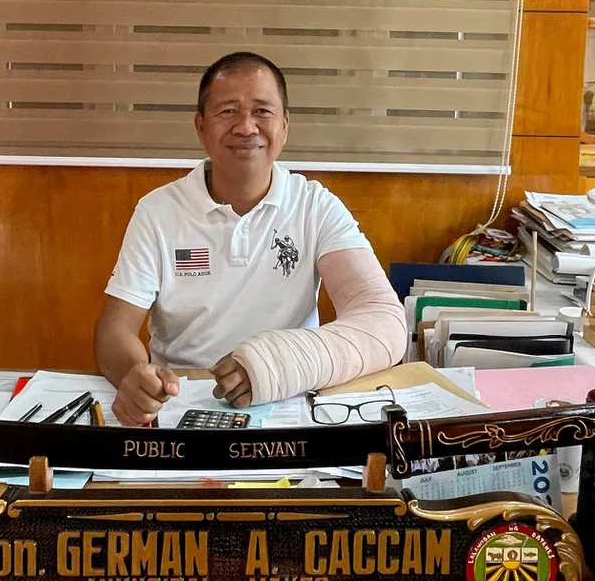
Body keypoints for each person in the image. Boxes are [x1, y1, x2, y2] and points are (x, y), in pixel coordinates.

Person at [95, 53, 405, 427]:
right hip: (180, 406)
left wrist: (273, 364)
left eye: (262, 111)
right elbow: (115, 329)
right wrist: (134, 376)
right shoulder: (158, 211)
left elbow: (383, 323)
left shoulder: (315, 206)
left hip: (291, 402)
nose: (246, 127)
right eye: (228, 112)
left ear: (285, 126)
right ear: (201, 127)